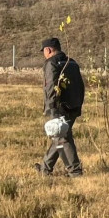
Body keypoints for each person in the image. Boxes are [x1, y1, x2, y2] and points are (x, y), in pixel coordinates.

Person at [35, 37, 85, 177]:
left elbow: (50, 86)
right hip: (74, 106)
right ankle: (45, 168)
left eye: (43, 51)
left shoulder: (51, 63)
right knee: (59, 137)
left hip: (59, 107)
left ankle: (75, 171)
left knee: (63, 139)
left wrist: (52, 108)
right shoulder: (72, 63)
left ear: (48, 50)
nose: (44, 54)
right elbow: (81, 86)